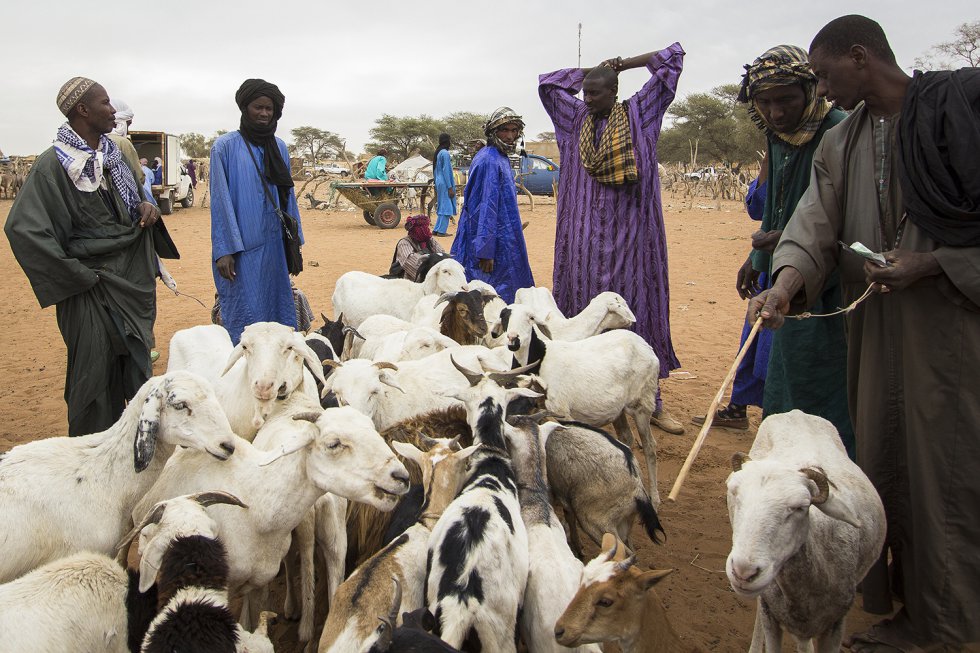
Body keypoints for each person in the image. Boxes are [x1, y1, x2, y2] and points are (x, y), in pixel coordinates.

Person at [750, 15, 980, 651]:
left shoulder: (955, 114)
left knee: (948, 470)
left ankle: (949, 623)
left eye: (824, 75)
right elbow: (813, 224)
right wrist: (783, 287)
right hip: (877, 329)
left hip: (950, 328)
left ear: (860, 56)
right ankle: (910, 611)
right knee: (884, 459)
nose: (821, 90)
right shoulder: (843, 141)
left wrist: (933, 262)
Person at [698, 46, 854, 457]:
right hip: (779, 274)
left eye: (786, 99)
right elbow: (773, 208)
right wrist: (758, 258)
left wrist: (785, 238)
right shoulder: (779, 137)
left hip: (826, 281)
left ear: (810, 91)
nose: (776, 112)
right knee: (781, 372)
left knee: (820, 375)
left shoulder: (841, 131)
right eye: (765, 103)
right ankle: (781, 463)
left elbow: (850, 217)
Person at [3, 77, 177, 436]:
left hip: (128, 281)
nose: (113, 110)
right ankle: (90, 457)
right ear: (82, 110)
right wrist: (76, 275)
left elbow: (132, 208)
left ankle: (124, 447)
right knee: (92, 379)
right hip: (89, 289)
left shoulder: (114, 157)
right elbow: (24, 229)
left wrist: (147, 207)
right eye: (105, 104)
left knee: (134, 364)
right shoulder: (54, 165)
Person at [539, 44, 685, 434]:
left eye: (596, 92)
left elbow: (671, 60)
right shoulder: (573, 120)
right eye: (585, 93)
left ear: (615, 92)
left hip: (633, 240)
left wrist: (623, 65)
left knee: (637, 311)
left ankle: (651, 403)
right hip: (582, 243)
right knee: (582, 317)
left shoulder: (640, 114)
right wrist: (593, 70)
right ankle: (582, 397)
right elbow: (549, 84)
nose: (587, 99)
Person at [209, 78, 303, 344]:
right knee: (244, 314)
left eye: (269, 109)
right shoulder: (224, 147)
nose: (263, 113)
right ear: (244, 108)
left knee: (277, 310)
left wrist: (294, 245)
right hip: (241, 249)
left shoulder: (280, 147)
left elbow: (288, 197)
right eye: (257, 107)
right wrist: (224, 250)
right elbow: (220, 201)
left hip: (274, 244)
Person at [692, 167, 771, 430]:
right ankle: (738, 409)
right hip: (768, 260)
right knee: (753, 338)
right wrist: (755, 258)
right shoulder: (779, 147)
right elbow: (758, 208)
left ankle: (774, 420)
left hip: (798, 261)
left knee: (775, 345)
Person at [450, 107, 533, 303]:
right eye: (505, 130)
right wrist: (485, 251)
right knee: (489, 294)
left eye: (514, 131)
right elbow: (484, 208)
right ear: (493, 132)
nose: (510, 136)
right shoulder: (489, 160)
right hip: (490, 243)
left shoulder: (499, 157)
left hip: (502, 237)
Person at [390, 214, 446, 281]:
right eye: (423, 227)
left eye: (427, 227)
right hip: (408, 281)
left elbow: (442, 255)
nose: (427, 230)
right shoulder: (404, 243)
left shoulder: (429, 240)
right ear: (415, 229)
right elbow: (413, 264)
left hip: (431, 276)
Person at [432, 133, 456, 236]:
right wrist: (450, 187)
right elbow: (446, 171)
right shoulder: (445, 153)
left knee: (442, 206)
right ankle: (442, 231)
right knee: (447, 208)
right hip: (445, 183)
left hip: (439, 181)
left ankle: (436, 229)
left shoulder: (438, 152)